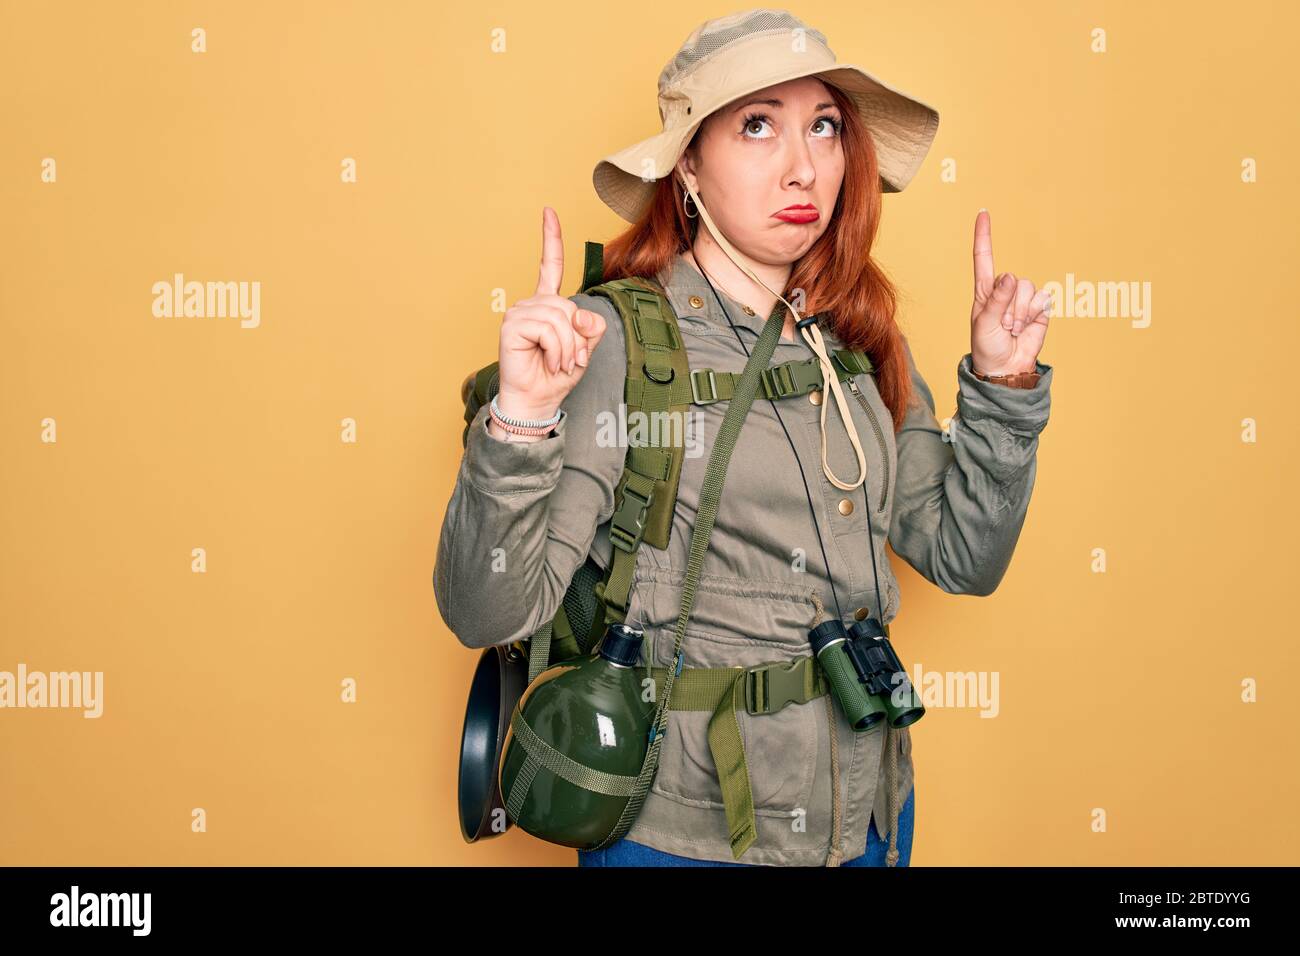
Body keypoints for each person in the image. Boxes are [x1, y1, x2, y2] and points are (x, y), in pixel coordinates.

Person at [434, 8, 1053, 867]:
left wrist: (1002, 388)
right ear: (687, 164)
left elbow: (964, 559)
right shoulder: (612, 339)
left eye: (824, 127)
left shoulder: (864, 340)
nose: (803, 166)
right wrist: (521, 416)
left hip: (869, 817)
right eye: (757, 126)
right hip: (689, 833)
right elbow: (484, 609)